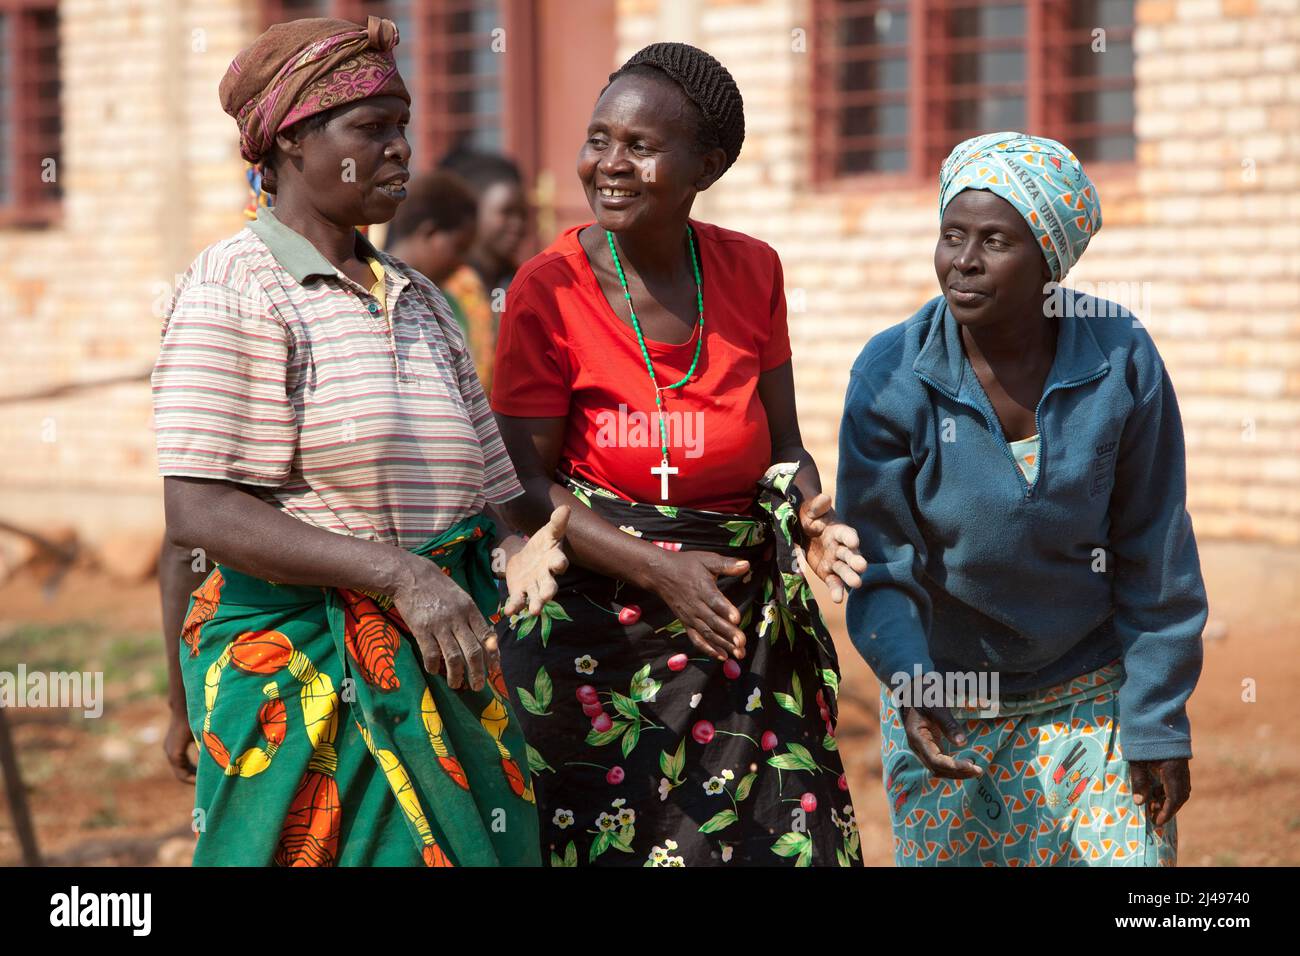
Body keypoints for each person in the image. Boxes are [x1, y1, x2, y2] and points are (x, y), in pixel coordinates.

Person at [151, 15, 568, 867]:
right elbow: (197, 508)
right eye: (371, 129)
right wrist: (399, 574)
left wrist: (520, 550)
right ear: (293, 141)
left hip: (447, 669)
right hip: (307, 682)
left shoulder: (423, 301)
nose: (401, 150)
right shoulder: (237, 286)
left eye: (404, 126)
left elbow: (491, 496)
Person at [491, 42, 868, 867]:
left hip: (737, 626)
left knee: (781, 844)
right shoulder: (546, 291)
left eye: (640, 146)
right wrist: (659, 569)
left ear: (707, 164)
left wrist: (806, 515)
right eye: (598, 140)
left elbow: (784, 446)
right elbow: (518, 485)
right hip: (598, 637)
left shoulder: (751, 270)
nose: (608, 165)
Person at [837, 132, 1207, 866]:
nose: (963, 261)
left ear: (1050, 262)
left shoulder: (1119, 357)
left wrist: (1157, 723)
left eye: (995, 240)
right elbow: (881, 568)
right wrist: (913, 685)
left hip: (1090, 693)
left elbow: (1154, 546)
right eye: (952, 235)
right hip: (949, 704)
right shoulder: (892, 375)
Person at [383, 170, 493, 377]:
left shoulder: (448, 304)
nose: (461, 263)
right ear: (430, 232)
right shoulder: (372, 292)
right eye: (459, 248)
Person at [438, 149, 529, 393]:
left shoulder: (521, 284)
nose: (518, 225)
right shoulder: (447, 286)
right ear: (476, 213)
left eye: (523, 215)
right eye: (507, 213)